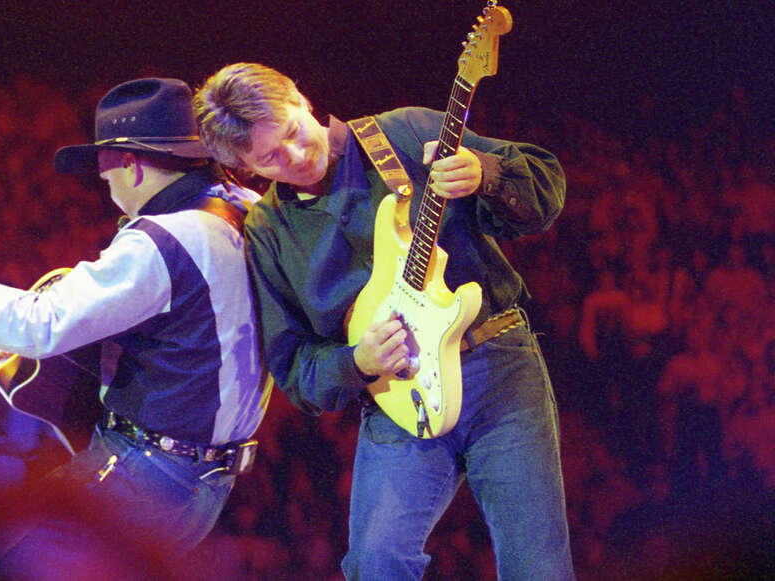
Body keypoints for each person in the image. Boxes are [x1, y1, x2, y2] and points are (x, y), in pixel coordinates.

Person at [194, 62, 574, 580]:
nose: (296, 155)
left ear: (301, 99)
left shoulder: (406, 131)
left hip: (496, 367)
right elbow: (294, 366)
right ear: (245, 167)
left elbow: (546, 187)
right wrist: (357, 361)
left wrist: (484, 172)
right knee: (375, 561)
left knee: (536, 562)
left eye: (292, 131)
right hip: (396, 397)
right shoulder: (268, 231)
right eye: (270, 158)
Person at [0, 77, 269, 563]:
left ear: (130, 165)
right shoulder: (247, 210)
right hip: (205, 481)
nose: (106, 186)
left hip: (145, 474)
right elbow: (192, 333)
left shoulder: (162, 241)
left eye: (106, 173)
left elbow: (38, 325)